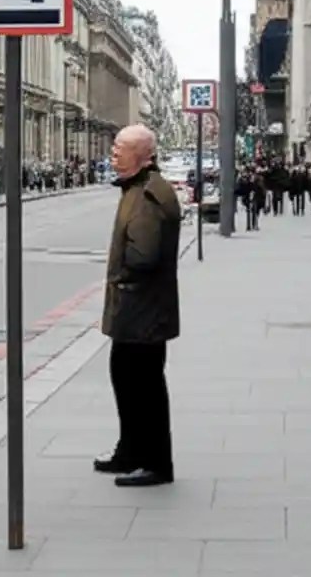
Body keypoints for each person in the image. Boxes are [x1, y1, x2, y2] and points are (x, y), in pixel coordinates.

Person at [93, 125, 182, 487]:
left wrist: (123, 276)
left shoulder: (148, 196)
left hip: (143, 309)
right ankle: (130, 451)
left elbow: (143, 255)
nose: (114, 153)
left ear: (143, 156)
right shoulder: (136, 187)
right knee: (126, 379)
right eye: (115, 146)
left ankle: (156, 463)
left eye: (121, 148)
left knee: (144, 387)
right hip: (136, 309)